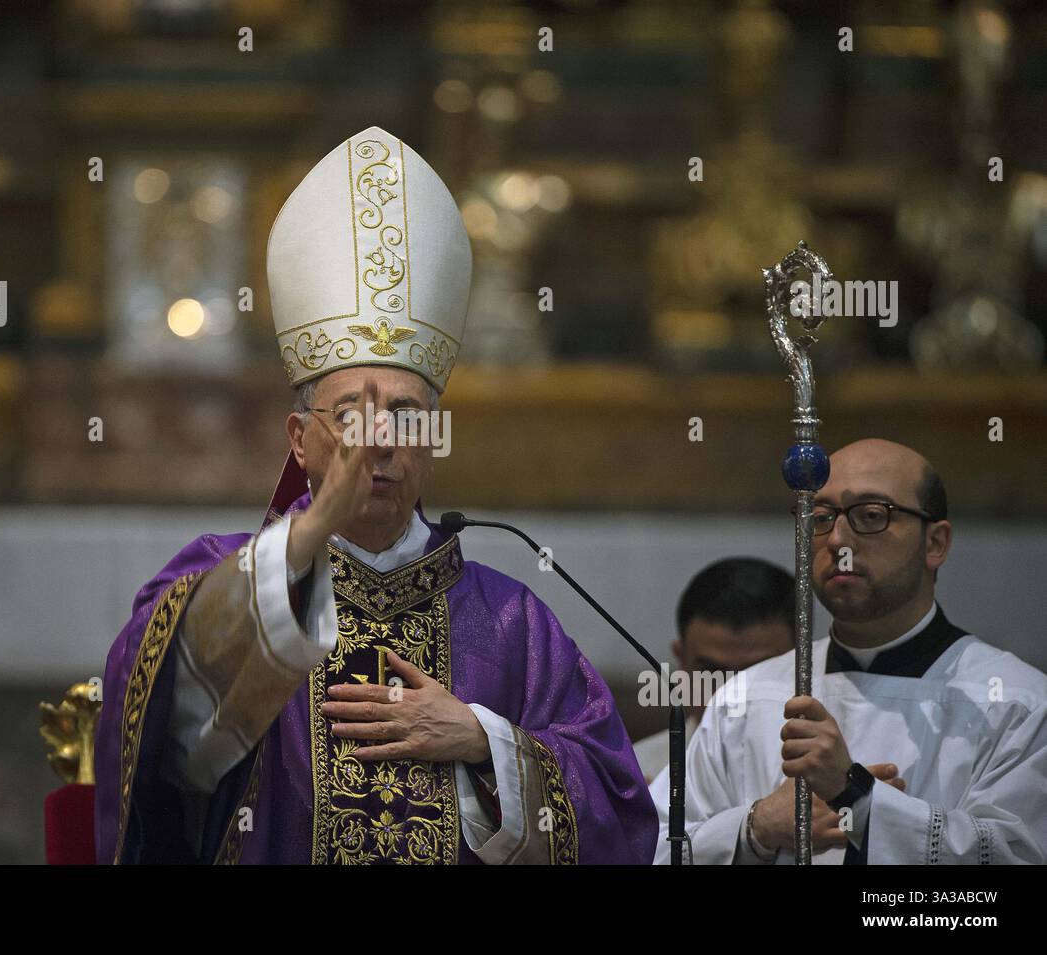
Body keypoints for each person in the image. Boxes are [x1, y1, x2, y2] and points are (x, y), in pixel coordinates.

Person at [93, 126, 657, 864]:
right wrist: (318, 523)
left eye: (405, 413)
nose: (381, 438)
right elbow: (163, 723)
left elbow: (619, 812)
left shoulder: (513, 622)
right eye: (353, 414)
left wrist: (483, 742)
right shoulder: (224, 581)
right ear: (299, 439)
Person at [654, 438, 1047, 864]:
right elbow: (649, 847)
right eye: (820, 517)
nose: (838, 540)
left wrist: (856, 796)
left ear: (936, 543)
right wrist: (756, 828)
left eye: (872, 516)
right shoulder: (744, 699)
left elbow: (1017, 856)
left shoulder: (1016, 704)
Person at [634, 557, 794, 782]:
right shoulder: (632, 780)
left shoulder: (834, 776)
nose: (732, 697)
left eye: (759, 672)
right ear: (682, 661)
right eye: (712, 673)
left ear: (801, 663)